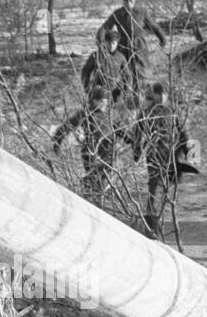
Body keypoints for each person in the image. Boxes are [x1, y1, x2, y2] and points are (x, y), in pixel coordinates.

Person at [131, 82, 190, 239]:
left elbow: (184, 133)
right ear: (155, 95)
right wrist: (136, 154)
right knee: (154, 188)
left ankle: (164, 223)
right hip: (154, 155)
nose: (162, 97)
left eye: (164, 94)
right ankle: (152, 228)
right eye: (159, 94)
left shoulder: (174, 110)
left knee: (169, 189)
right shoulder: (146, 112)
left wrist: (191, 155)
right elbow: (137, 134)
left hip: (171, 154)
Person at [52, 85, 125, 201]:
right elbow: (66, 127)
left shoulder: (110, 115)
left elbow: (121, 130)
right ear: (93, 101)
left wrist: (134, 142)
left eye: (104, 101)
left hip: (108, 153)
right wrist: (57, 142)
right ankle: (89, 197)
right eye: (100, 101)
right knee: (94, 182)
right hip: (91, 152)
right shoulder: (85, 114)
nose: (103, 104)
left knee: (101, 182)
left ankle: (95, 198)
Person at [97, 0, 167, 95]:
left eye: (131, 1)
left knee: (140, 73)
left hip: (139, 46)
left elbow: (154, 26)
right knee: (125, 72)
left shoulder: (142, 12)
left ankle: (140, 95)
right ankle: (124, 96)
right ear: (123, 1)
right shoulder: (118, 14)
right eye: (126, 1)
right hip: (123, 46)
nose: (128, 3)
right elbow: (105, 26)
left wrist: (162, 39)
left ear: (135, 1)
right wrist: (100, 41)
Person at [81, 28, 131, 105]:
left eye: (114, 43)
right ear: (105, 42)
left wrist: (126, 92)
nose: (111, 46)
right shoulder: (96, 55)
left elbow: (128, 76)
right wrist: (87, 88)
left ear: (117, 43)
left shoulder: (120, 57)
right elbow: (85, 71)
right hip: (98, 93)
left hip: (114, 93)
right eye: (109, 43)